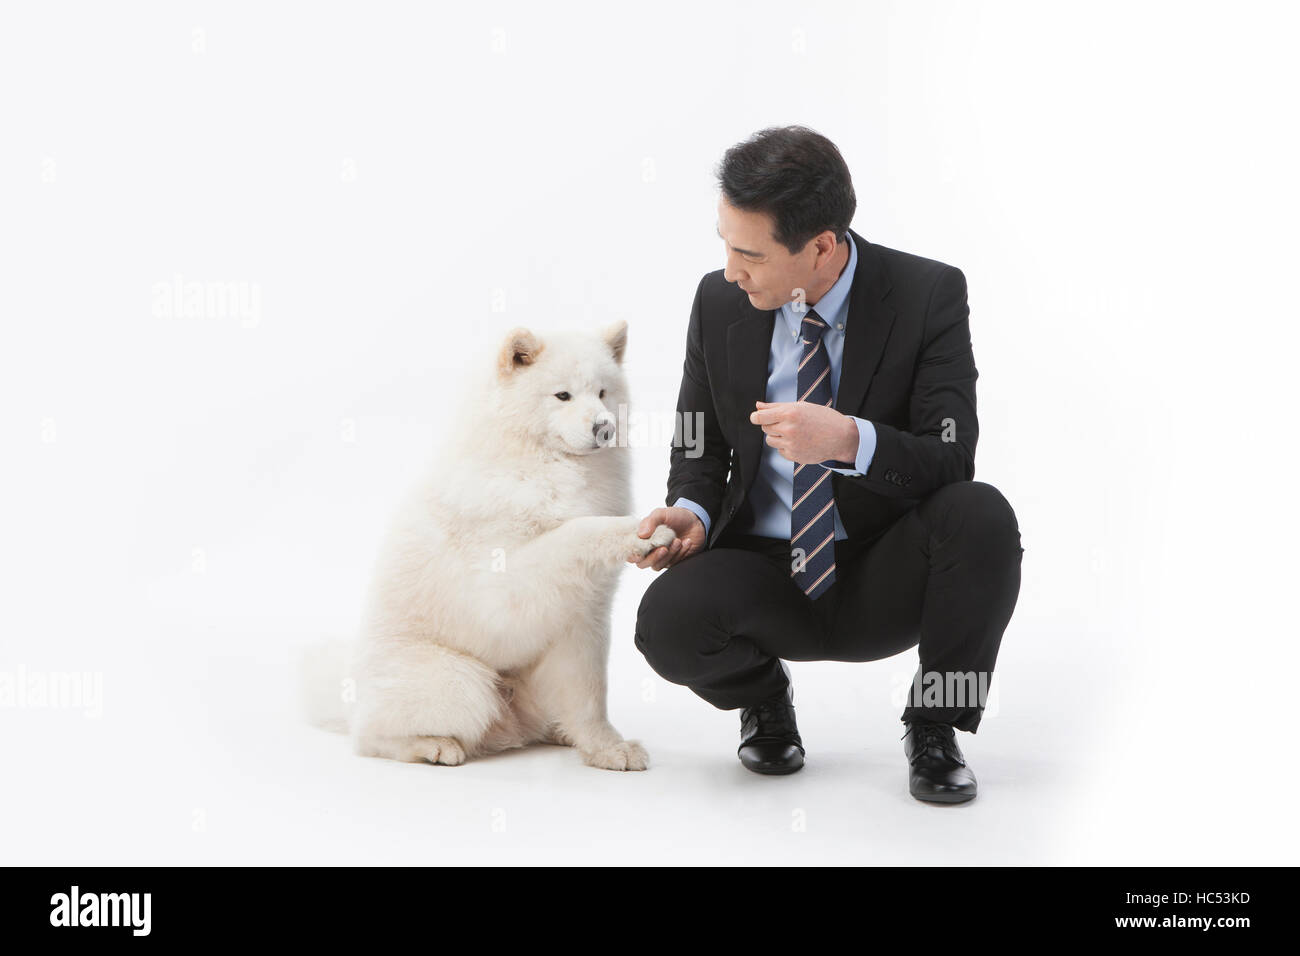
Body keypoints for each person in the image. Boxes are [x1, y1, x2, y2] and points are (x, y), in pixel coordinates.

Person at [628, 126, 1024, 804]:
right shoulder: (718, 300)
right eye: (725, 244)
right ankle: (766, 700)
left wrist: (848, 441)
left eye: (749, 253)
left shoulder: (927, 294)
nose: (731, 269)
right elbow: (699, 441)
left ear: (821, 247)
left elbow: (950, 458)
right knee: (665, 625)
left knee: (982, 514)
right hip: (765, 573)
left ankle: (934, 725)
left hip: (880, 569)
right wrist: (690, 511)